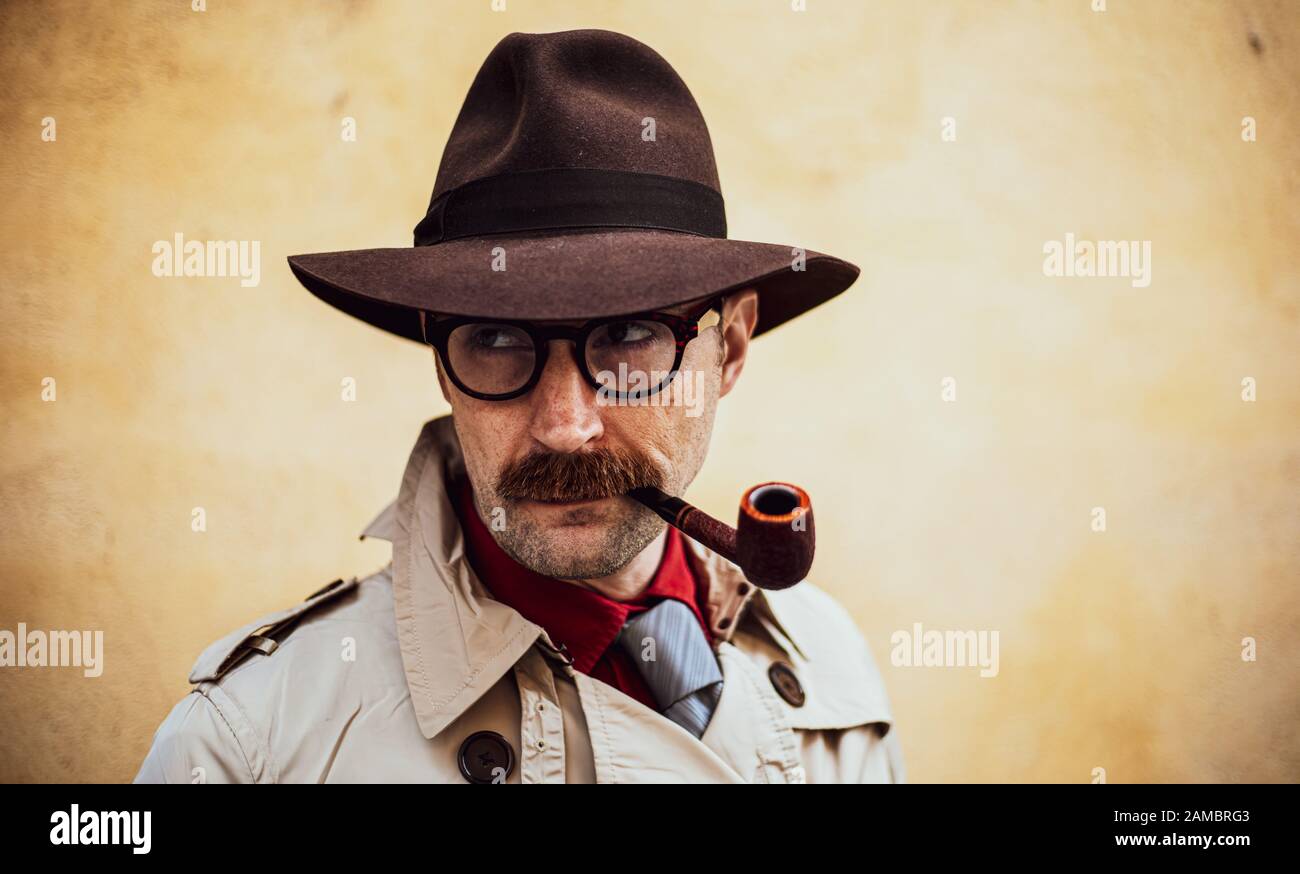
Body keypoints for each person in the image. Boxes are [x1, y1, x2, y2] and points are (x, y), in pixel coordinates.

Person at [134, 28, 901, 784]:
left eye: (630, 335)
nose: (565, 427)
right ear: (441, 357)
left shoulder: (832, 680)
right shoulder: (254, 744)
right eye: (498, 339)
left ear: (729, 349)